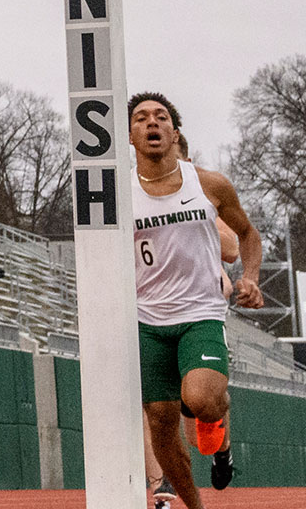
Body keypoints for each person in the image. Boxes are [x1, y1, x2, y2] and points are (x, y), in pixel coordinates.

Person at [129, 92, 264, 509]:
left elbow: (248, 235)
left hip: (199, 314)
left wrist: (252, 278)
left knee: (202, 400)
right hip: (146, 321)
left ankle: (217, 419)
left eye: (161, 117)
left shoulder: (208, 184)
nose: (152, 123)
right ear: (130, 136)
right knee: (162, 428)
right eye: (141, 118)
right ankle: (195, 505)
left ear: (174, 132)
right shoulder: (117, 195)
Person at [144, 129, 248, 503]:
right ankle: (166, 479)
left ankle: (223, 448)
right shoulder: (139, 192)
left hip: (198, 308)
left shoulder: (202, 191)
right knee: (157, 409)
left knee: (197, 405)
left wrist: (184, 217)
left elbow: (235, 246)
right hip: (152, 312)